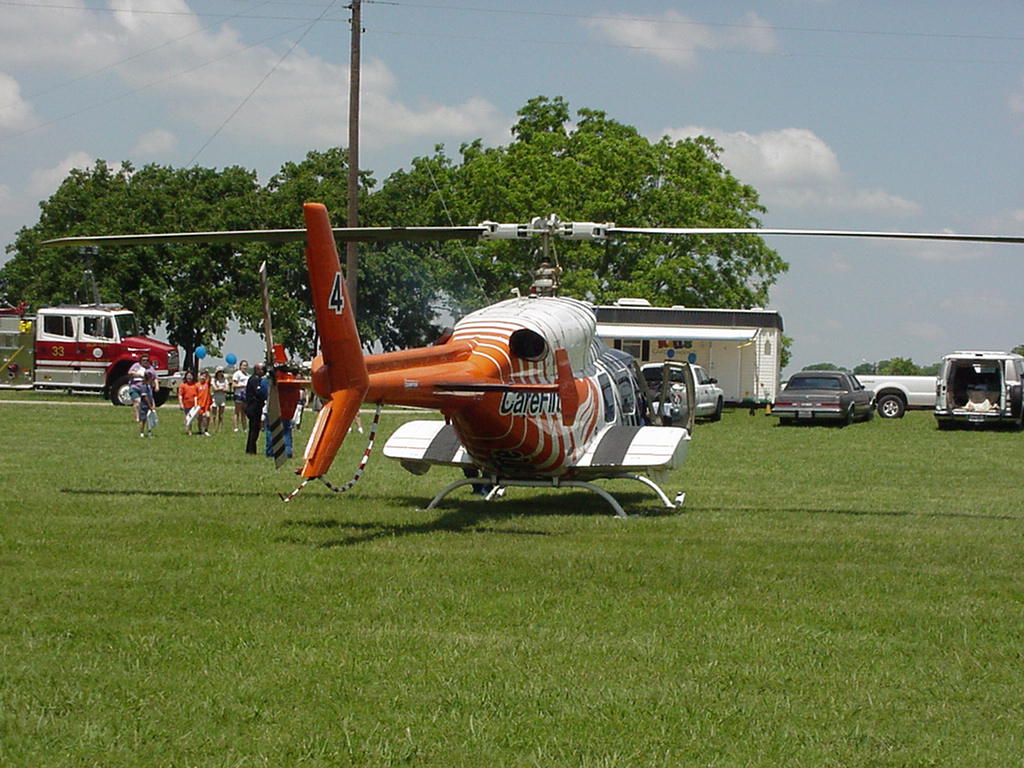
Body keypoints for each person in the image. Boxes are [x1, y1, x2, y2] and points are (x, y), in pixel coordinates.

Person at [244, 362, 266, 454]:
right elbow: (258, 392)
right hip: (253, 407)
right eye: (262, 369)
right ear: (257, 370)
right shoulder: (254, 379)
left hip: (255, 407)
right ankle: (251, 449)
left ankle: (251, 448)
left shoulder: (256, 379)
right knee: (254, 429)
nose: (264, 371)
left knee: (255, 428)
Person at [178, 370, 198, 436]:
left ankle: (201, 429)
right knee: (189, 418)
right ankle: (189, 431)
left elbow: (196, 395)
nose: (189, 377)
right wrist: (181, 404)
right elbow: (180, 395)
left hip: (195, 405)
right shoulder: (183, 385)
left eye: (190, 376)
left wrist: (196, 404)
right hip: (186, 405)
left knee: (197, 418)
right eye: (188, 376)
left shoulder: (195, 385)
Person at [231, 359, 249, 432]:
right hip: (239, 394)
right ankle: (236, 427)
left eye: (246, 365)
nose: (244, 367)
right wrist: (243, 385)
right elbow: (234, 385)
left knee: (244, 412)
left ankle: (244, 428)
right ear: (240, 366)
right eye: (243, 365)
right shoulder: (237, 374)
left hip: (245, 395)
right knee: (237, 412)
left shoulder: (247, 375)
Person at [211, 366, 229, 432]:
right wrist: (221, 388)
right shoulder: (214, 380)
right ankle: (213, 428)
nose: (220, 373)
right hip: (215, 398)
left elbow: (227, 389)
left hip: (222, 398)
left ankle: (220, 428)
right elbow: (214, 389)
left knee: (221, 415)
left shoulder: (225, 380)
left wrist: (220, 388)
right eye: (219, 372)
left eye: (221, 372)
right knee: (214, 415)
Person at [195, 370, 214, 436]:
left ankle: (206, 429)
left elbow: (210, 378)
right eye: (201, 376)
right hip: (199, 404)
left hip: (206, 404)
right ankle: (200, 430)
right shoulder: (196, 385)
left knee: (207, 416)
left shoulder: (207, 384)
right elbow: (195, 395)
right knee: (200, 418)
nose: (203, 377)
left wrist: (207, 373)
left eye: (204, 376)